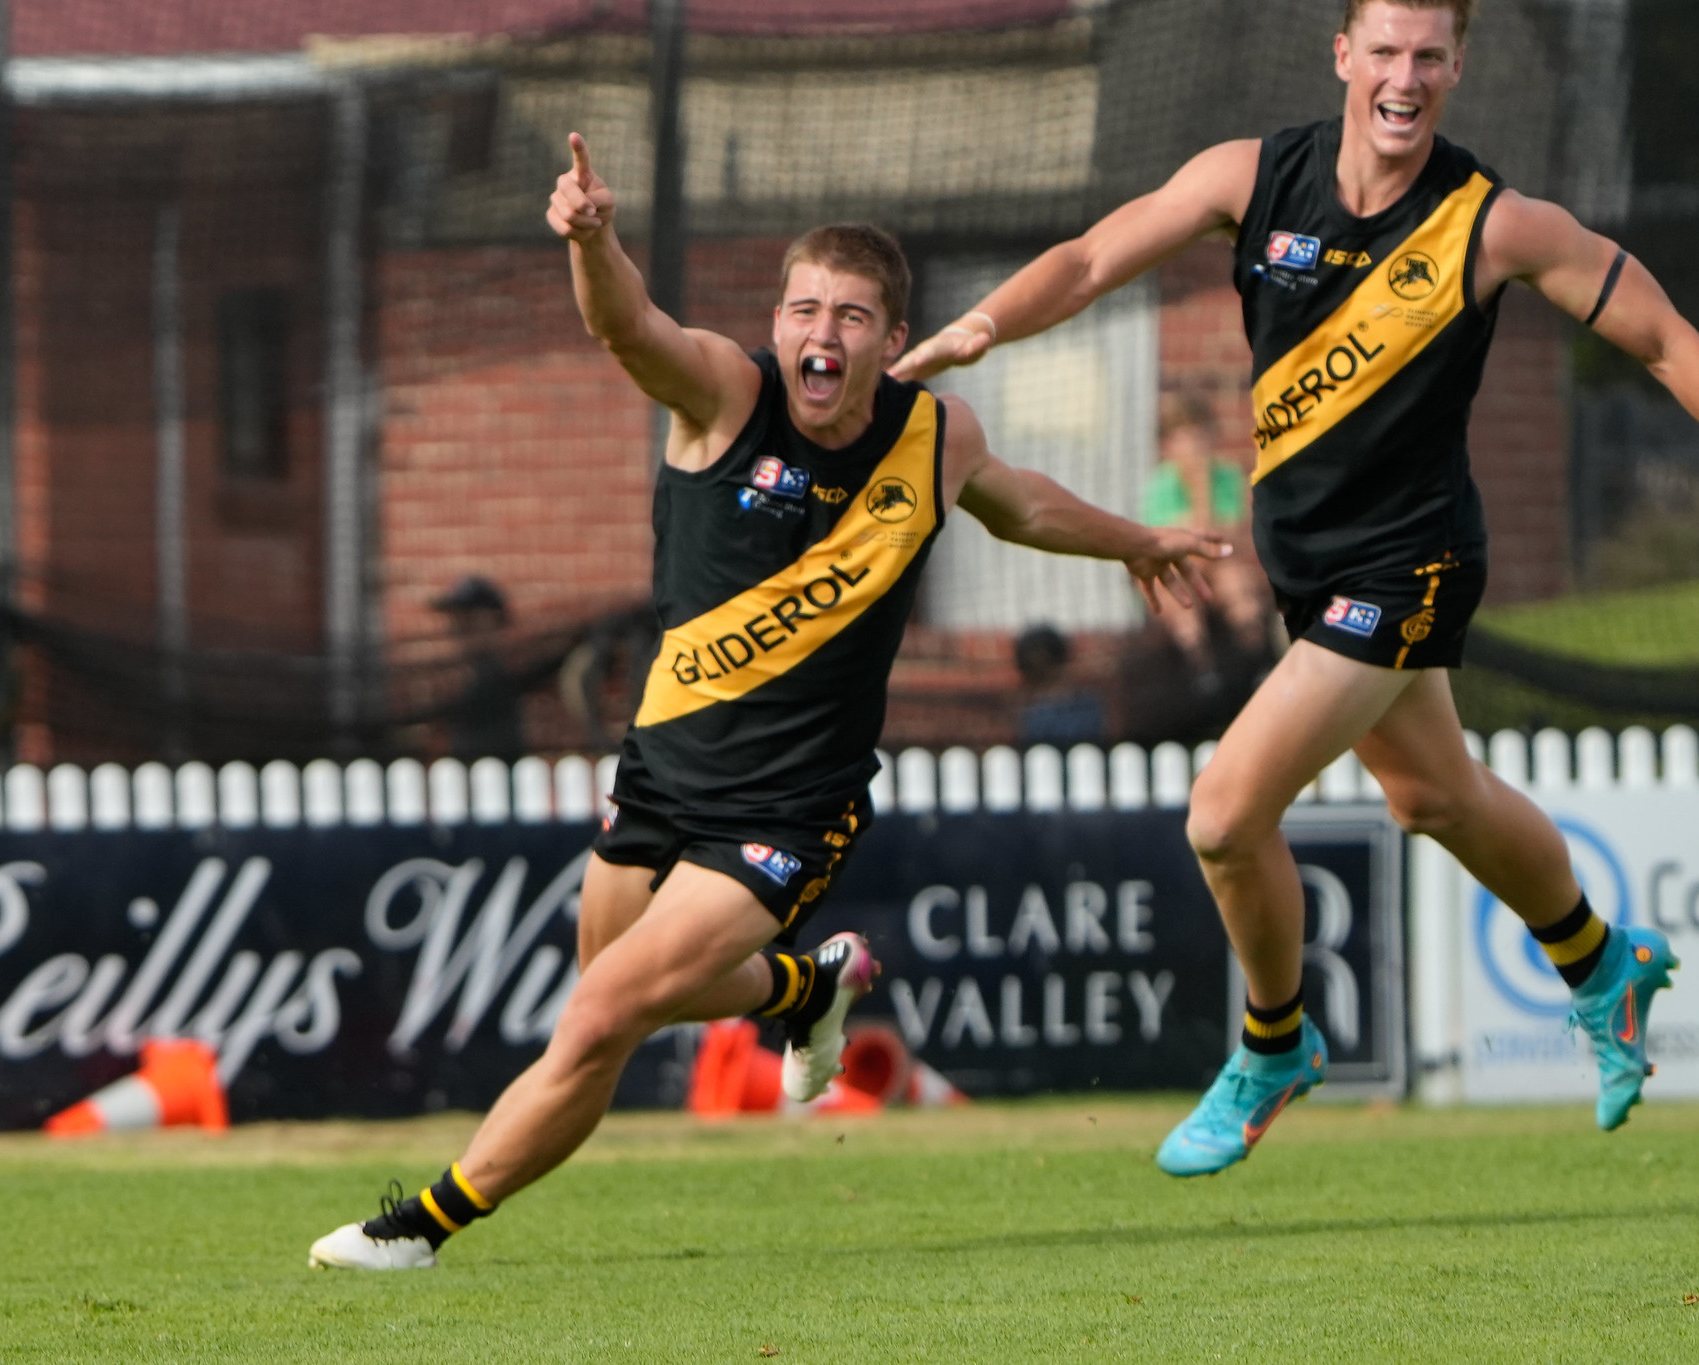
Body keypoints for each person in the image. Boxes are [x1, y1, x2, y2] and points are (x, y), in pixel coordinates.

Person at [307, 133, 1228, 1269]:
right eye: (803, 310)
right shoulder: (724, 396)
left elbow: (1019, 506)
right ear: (777, 321)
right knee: (611, 996)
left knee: (599, 1018)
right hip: (659, 772)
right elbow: (625, 328)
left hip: (788, 809)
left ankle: (419, 1228)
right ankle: (805, 983)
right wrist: (593, 243)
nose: (819, 335)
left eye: (848, 317)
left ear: (892, 342)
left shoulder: (931, 434)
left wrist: (1135, 541)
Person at [896, 0, 1699, 1174]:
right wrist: (981, 325)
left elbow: (1660, 342)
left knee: (1222, 813)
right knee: (1433, 799)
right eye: (1383, 52)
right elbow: (1093, 259)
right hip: (1304, 563)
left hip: (1412, 563)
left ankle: (1272, 1042)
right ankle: (1602, 963)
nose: (1403, 79)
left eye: (1428, 57)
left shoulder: (1495, 226)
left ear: (1457, 67)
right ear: (1342, 55)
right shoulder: (1251, 178)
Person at [1141, 391, 1279, 690]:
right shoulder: (1160, 484)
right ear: (1168, 445)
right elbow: (1172, 540)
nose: (1194, 446)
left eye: (1199, 435)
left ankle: (1259, 665)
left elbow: (1229, 534)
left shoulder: (1227, 476)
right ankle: (1200, 673)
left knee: (1238, 585)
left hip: (1221, 565)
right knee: (1178, 599)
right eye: (1183, 437)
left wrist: (1202, 487)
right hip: (1182, 570)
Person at [432, 575, 525, 761]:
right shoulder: (467, 678)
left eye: (469, 619)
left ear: (493, 622)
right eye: (456, 619)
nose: (457, 628)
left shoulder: (496, 678)